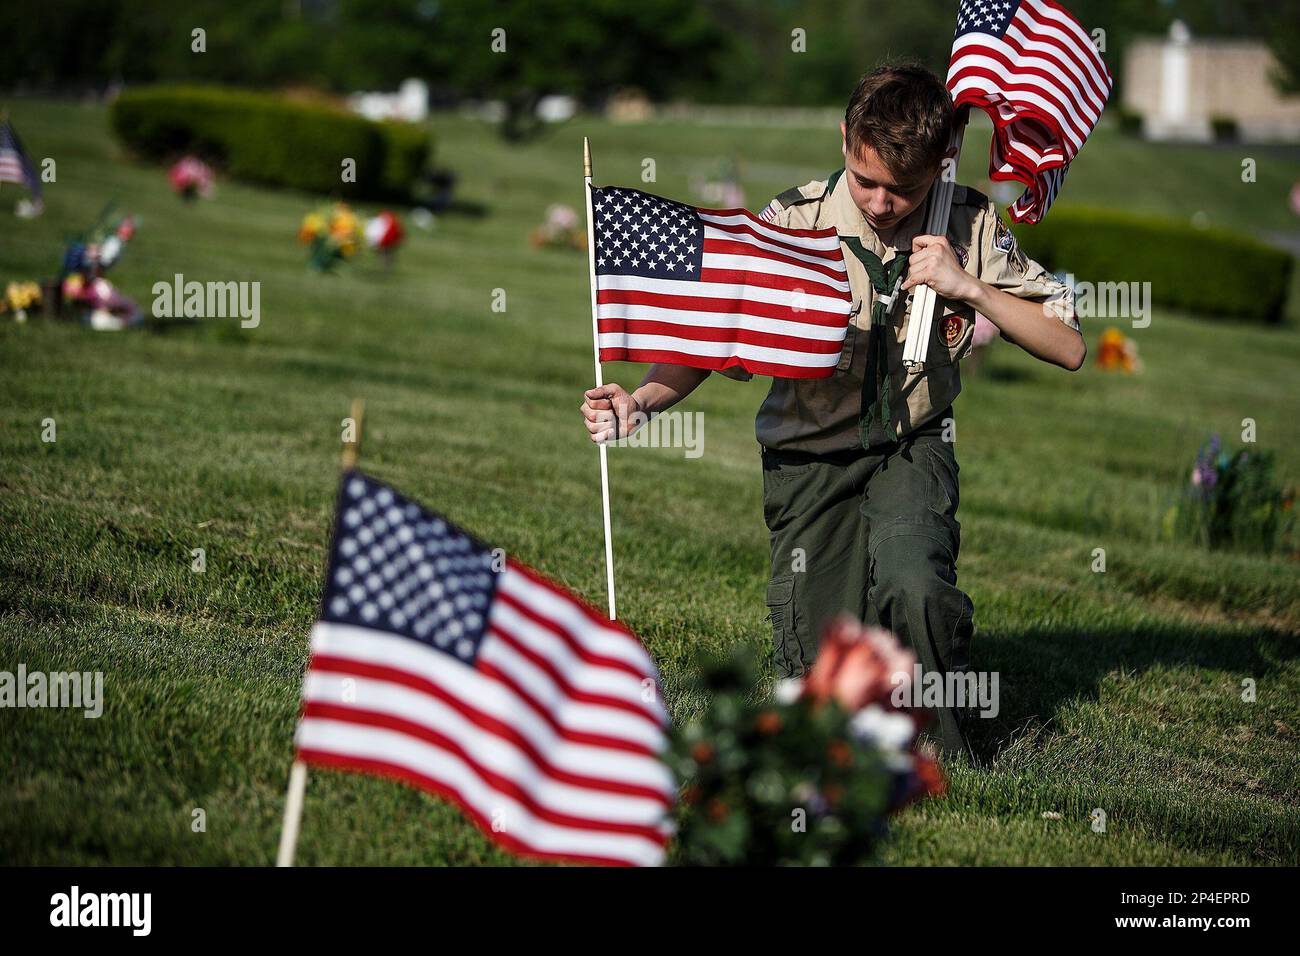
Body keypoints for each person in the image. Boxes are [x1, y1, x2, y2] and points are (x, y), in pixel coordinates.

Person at [579, 63, 1083, 759]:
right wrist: (641, 401)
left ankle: (950, 754)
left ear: (942, 163)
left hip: (909, 447)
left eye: (903, 190)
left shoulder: (964, 221)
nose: (880, 203)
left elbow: (1068, 346)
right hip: (807, 460)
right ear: (844, 138)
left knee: (915, 584)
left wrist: (971, 287)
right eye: (866, 178)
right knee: (824, 690)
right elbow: (715, 337)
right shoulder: (796, 221)